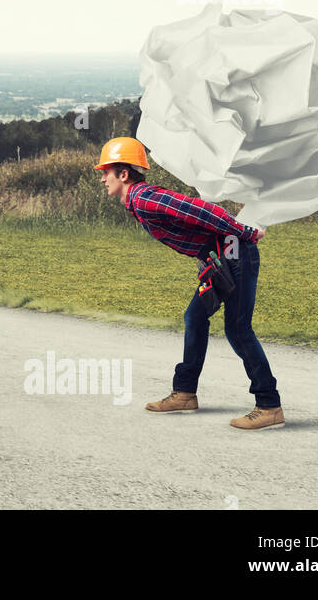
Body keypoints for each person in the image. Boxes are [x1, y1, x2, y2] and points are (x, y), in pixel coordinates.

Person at [94, 137, 284, 431]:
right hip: (221, 259)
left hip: (235, 253)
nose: (102, 177)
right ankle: (184, 393)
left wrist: (244, 232)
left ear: (124, 174)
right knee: (194, 317)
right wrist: (206, 260)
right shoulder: (138, 202)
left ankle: (269, 405)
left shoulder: (144, 198)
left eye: (106, 171)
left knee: (238, 329)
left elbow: (201, 210)